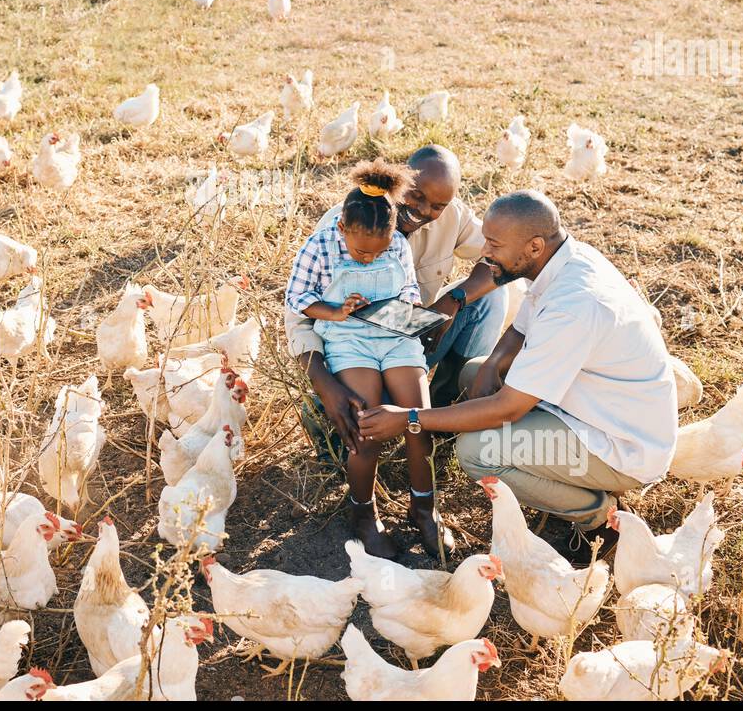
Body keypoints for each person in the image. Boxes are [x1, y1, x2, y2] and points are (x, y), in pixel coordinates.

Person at [358, 189, 678, 560]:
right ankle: (568, 480)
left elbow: (508, 409)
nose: (484, 251)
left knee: (478, 452)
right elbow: (521, 328)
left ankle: (599, 516)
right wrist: (492, 366)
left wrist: (411, 420)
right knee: (473, 373)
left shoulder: (574, 306)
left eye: (493, 243)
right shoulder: (565, 260)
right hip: (596, 408)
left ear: (534, 246)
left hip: (622, 446)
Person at [285, 145, 509, 545]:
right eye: (417, 195)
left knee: (489, 296)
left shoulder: (446, 216)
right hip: (343, 353)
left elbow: (501, 261)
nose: (423, 210)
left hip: (405, 338)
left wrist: (448, 303)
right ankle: (361, 510)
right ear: (400, 179)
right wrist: (326, 386)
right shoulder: (338, 229)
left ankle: (433, 464)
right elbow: (297, 318)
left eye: (437, 205)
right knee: (359, 432)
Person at [285, 160, 432, 558]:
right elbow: (297, 299)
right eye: (361, 251)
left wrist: (409, 311)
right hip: (348, 338)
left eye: (378, 251)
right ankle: (364, 516)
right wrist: (337, 312)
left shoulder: (397, 243)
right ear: (341, 230)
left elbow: (410, 288)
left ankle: (424, 509)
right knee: (365, 426)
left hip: (394, 334)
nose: (368, 259)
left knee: (420, 419)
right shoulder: (319, 246)